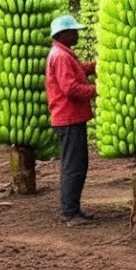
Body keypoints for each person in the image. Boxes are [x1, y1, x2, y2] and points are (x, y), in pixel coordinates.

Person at [46, 15, 97, 227]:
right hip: (68, 118)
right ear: (62, 34)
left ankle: (74, 209)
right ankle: (69, 213)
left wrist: (97, 65)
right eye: (73, 31)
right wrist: (98, 90)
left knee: (78, 164)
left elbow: (78, 72)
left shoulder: (64, 53)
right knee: (73, 166)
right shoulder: (60, 56)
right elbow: (70, 88)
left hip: (72, 117)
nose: (77, 34)